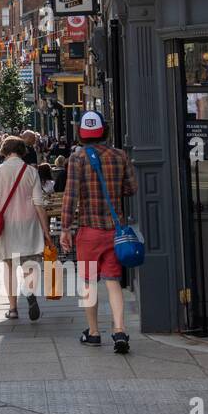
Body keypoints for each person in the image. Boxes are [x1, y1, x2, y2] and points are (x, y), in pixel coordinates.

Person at [60, 110, 138, 354]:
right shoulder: (120, 155)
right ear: (104, 130)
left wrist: (64, 229)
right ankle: (120, 331)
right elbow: (132, 188)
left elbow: (70, 196)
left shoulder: (77, 158)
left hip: (88, 231)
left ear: (81, 134)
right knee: (113, 281)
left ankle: (93, 333)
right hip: (115, 231)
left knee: (88, 283)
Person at [0, 136, 50, 322]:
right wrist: (46, 231)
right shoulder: (31, 171)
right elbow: (39, 203)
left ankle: (13, 309)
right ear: (22, 150)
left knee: (8, 266)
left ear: (4, 151)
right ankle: (30, 294)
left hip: (6, 226)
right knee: (29, 265)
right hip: (28, 224)